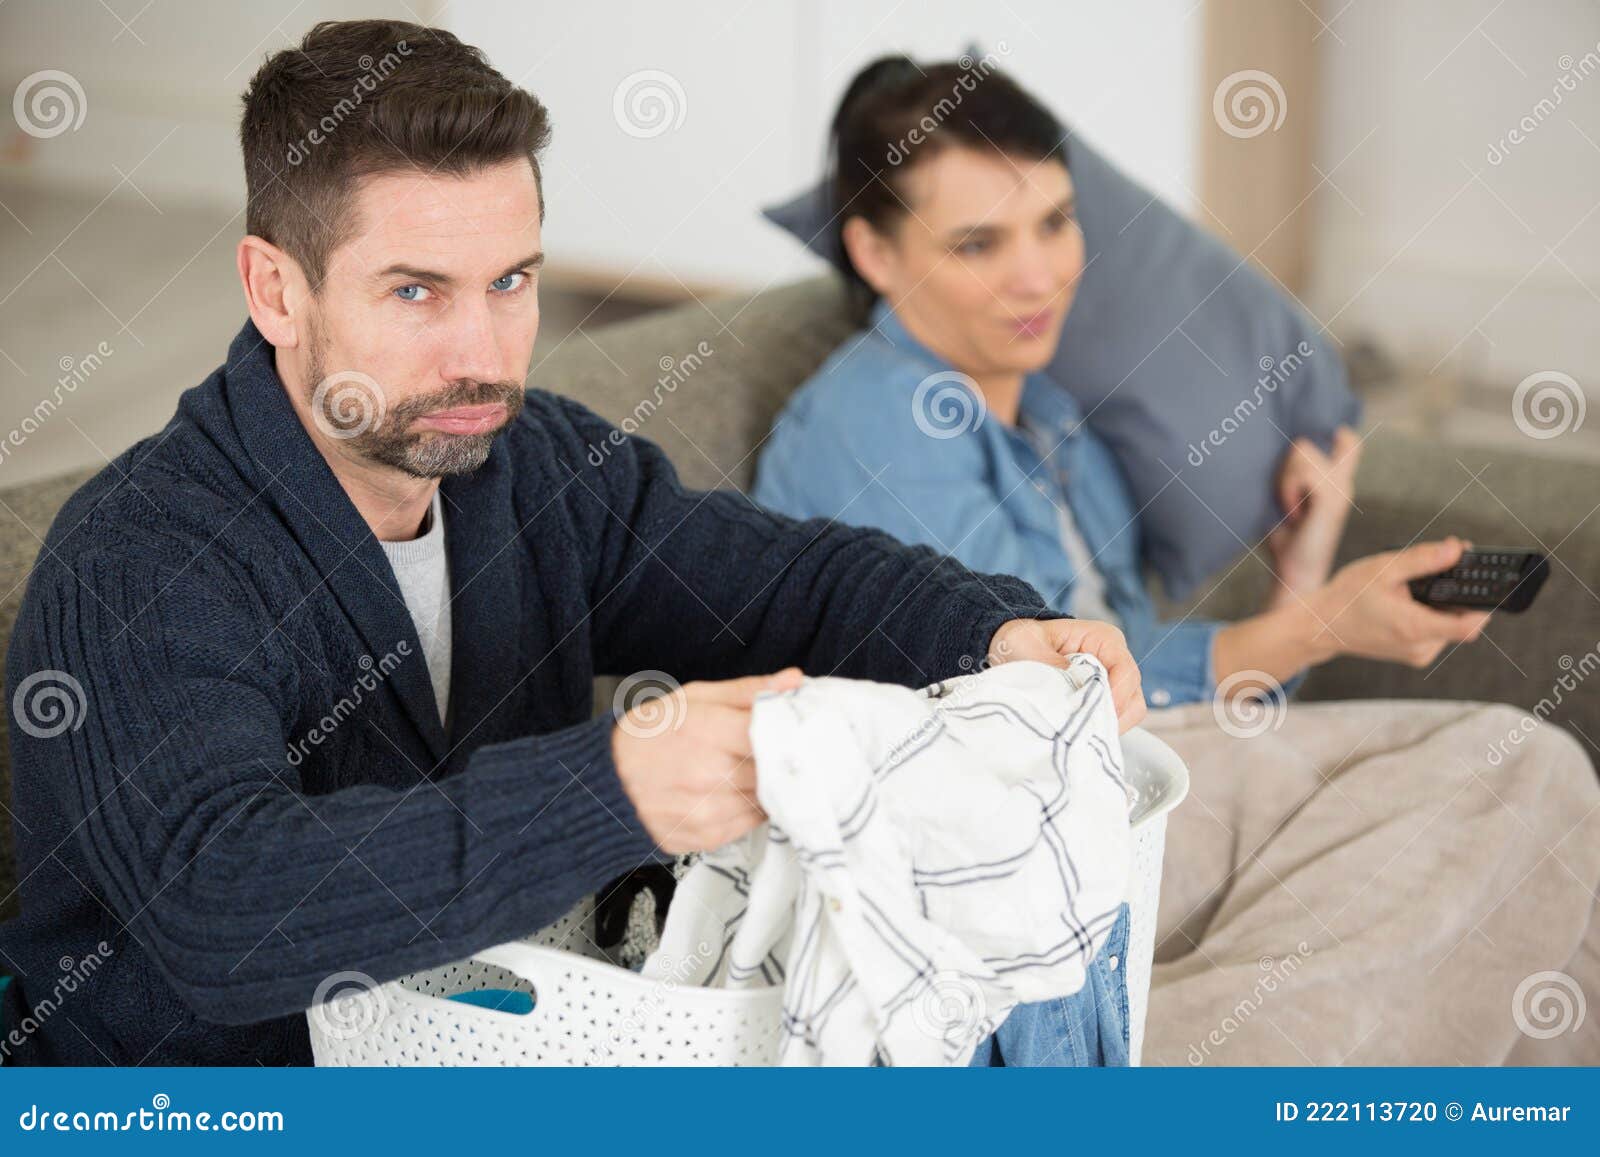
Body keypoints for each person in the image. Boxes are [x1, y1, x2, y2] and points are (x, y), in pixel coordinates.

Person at [0, 24, 1143, 1067]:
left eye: (511, 280)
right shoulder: (139, 563)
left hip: (495, 1051)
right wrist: (613, 787)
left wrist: (996, 629)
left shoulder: (534, 464)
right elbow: (224, 906)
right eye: (415, 292)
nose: (482, 352)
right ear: (275, 290)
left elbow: (789, 580)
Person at [752, 55, 1600, 1064]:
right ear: (873, 252)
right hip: (1010, 826)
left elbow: (1149, 676)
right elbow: (1033, 698)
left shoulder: (1056, 419)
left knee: (1535, 896)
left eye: (1055, 222)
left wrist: (1301, 576)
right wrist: (1317, 624)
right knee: (1524, 779)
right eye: (979, 242)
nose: (1038, 275)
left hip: (1137, 780)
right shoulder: (877, 416)